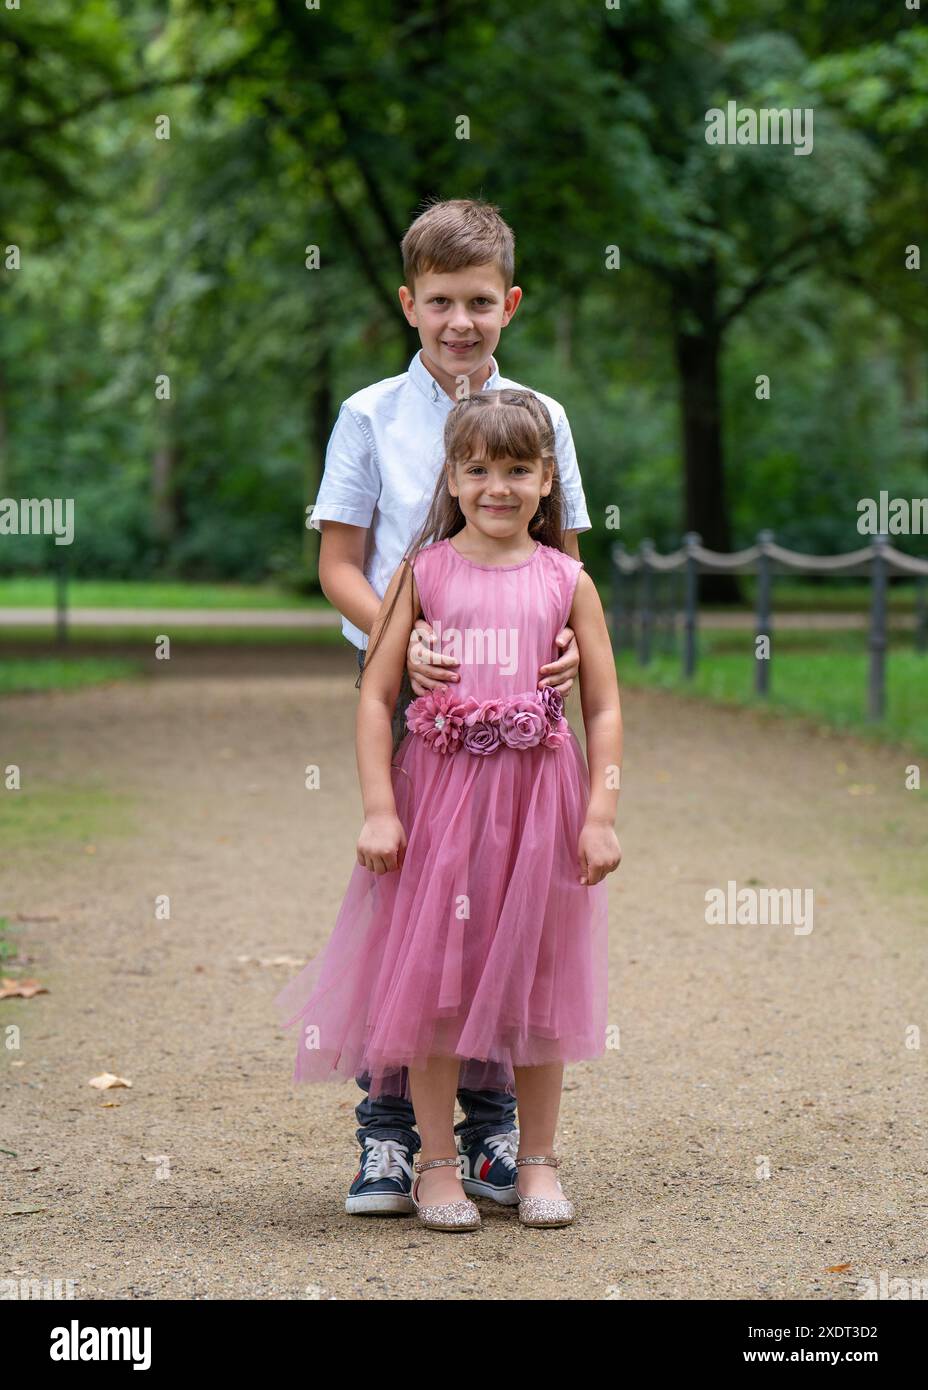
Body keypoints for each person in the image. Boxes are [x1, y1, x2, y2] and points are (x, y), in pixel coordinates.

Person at [304, 198, 596, 1215]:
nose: (459, 322)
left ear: (508, 304)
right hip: (414, 689)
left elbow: (565, 560)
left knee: (514, 903)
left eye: (479, 302)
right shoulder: (368, 416)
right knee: (412, 914)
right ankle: (390, 1135)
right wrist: (402, 632)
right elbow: (340, 561)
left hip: (520, 693)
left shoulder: (542, 418)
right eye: (440, 303)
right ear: (408, 304)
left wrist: (562, 644)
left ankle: (493, 1128)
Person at [275, 388, 623, 1231]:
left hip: (539, 804)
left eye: (517, 470)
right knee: (434, 973)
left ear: (548, 482)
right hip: (439, 805)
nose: (497, 486)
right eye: (478, 469)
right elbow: (376, 697)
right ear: (452, 477)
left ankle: (534, 1159)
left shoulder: (568, 581)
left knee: (539, 978)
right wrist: (377, 809)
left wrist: (601, 814)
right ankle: (435, 1161)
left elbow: (605, 707)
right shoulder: (420, 576)